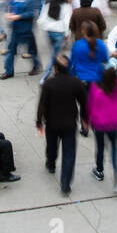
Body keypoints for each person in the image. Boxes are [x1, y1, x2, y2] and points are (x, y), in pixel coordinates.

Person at [36, 55, 87, 196]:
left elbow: (42, 105)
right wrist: (84, 119)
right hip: (69, 123)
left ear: (55, 68)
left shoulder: (49, 84)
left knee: (51, 146)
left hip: (52, 123)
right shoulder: (76, 83)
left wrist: (39, 122)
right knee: (69, 154)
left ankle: (51, 163)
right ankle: (65, 184)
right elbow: (84, 103)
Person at [88, 66, 117, 190]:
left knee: (100, 148)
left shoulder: (96, 88)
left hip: (100, 125)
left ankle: (99, 171)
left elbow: (91, 106)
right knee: (115, 151)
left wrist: (90, 120)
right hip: (116, 124)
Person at [0, 0, 42, 79]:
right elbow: (8, 7)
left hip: (26, 30)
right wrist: (7, 14)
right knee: (11, 51)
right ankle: (9, 71)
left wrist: (19, 16)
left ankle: (36, 66)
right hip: (15, 29)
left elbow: (32, 13)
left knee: (31, 51)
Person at [36, 0, 72, 80]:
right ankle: (45, 76)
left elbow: (41, 19)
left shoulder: (48, 5)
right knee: (54, 55)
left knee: (56, 54)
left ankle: (58, 70)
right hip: (59, 33)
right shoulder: (66, 7)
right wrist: (67, 33)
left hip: (49, 33)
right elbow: (67, 22)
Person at [70, 20, 110, 88]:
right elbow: (105, 60)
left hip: (81, 79)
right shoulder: (101, 44)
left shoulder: (77, 45)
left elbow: (72, 64)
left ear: (83, 31)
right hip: (97, 79)